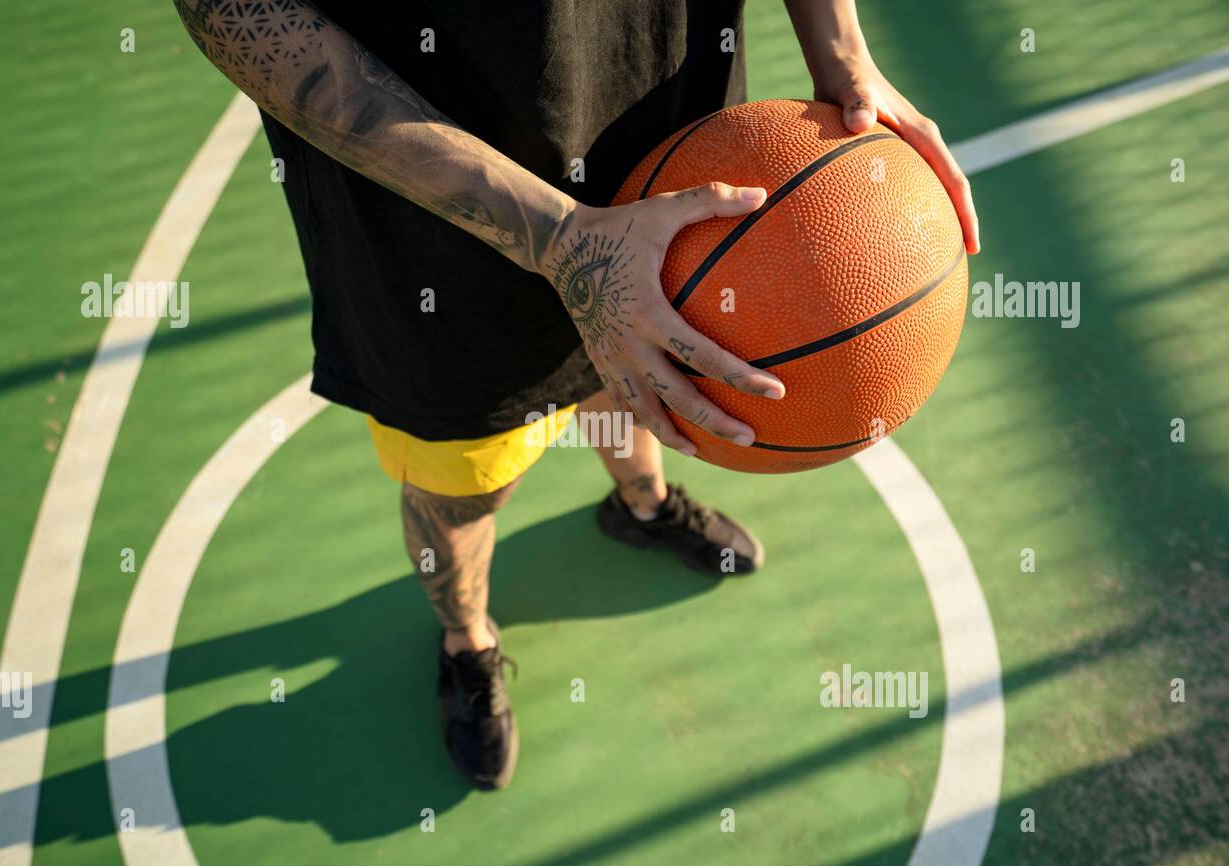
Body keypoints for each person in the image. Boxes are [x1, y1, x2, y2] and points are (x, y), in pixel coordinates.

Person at [172, 0, 979, 791]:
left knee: (642, 375)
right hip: (442, 219)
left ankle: (640, 503)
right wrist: (559, 238)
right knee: (464, 490)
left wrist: (838, 47)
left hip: (676, 146)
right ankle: (467, 642)